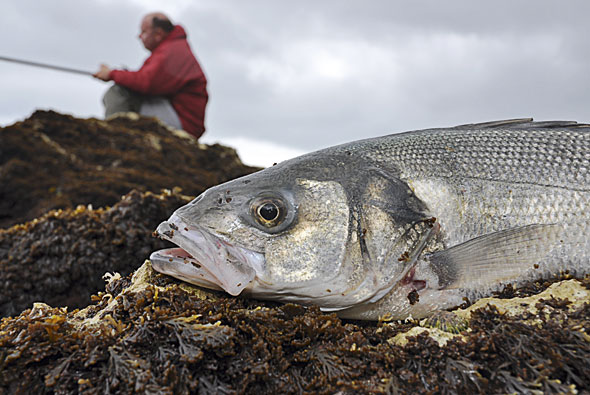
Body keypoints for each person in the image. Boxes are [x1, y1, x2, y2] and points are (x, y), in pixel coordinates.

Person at [93, 12, 208, 139]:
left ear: (158, 33)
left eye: (143, 32)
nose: (139, 36)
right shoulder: (173, 48)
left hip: (183, 122)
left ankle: (114, 137)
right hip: (177, 114)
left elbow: (146, 82)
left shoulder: (172, 52)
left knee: (119, 93)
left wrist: (112, 74)